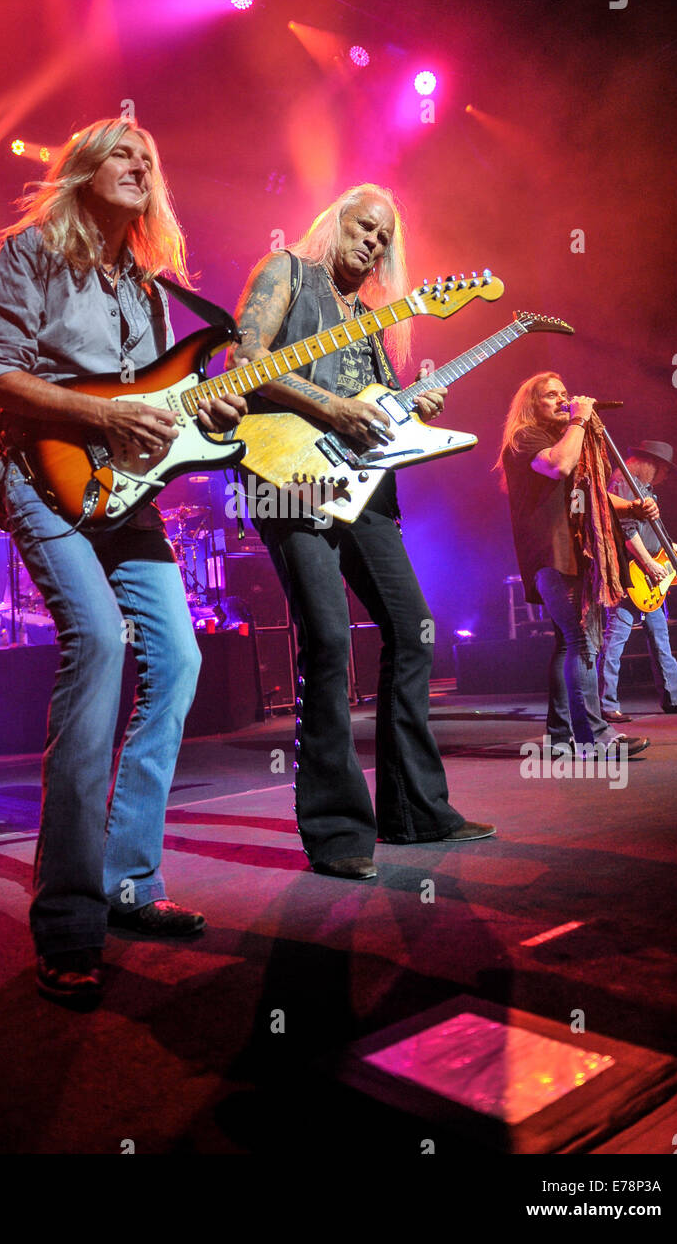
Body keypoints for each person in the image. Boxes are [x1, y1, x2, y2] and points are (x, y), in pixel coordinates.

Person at [0, 117, 246, 1006]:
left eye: (150, 159)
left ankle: (131, 879)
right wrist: (104, 421)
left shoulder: (156, 289)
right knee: (98, 643)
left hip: (127, 499)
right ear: (85, 169)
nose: (139, 165)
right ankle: (68, 921)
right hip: (40, 474)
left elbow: (162, 410)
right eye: (122, 153)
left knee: (183, 656)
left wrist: (216, 421)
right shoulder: (32, 253)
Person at [229, 184, 495, 882]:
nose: (373, 242)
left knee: (413, 631)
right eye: (365, 226)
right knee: (324, 640)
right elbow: (245, 361)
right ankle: (338, 831)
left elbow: (377, 415)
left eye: (384, 238)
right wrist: (337, 410)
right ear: (336, 221)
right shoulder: (286, 270)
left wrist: (411, 408)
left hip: (362, 486)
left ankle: (414, 811)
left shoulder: (373, 320)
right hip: (287, 471)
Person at [496, 372, 660, 756]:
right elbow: (559, 467)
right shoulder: (526, 439)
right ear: (531, 405)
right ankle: (595, 737)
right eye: (550, 395)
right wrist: (580, 419)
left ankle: (559, 737)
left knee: (567, 645)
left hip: (574, 552)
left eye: (564, 394)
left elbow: (591, 493)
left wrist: (633, 506)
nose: (562, 399)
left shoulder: (561, 438)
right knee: (582, 643)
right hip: (552, 553)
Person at [598, 440, 677, 720]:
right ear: (651, 464)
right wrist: (648, 563)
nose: (665, 477)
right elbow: (626, 530)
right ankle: (605, 704)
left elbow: (656, 537)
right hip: (631, 576)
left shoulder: (647, 492)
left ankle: (676, 698)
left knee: (661, 639)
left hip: (650, 580)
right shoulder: (624, 483)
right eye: (665, 471)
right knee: (615, 642)